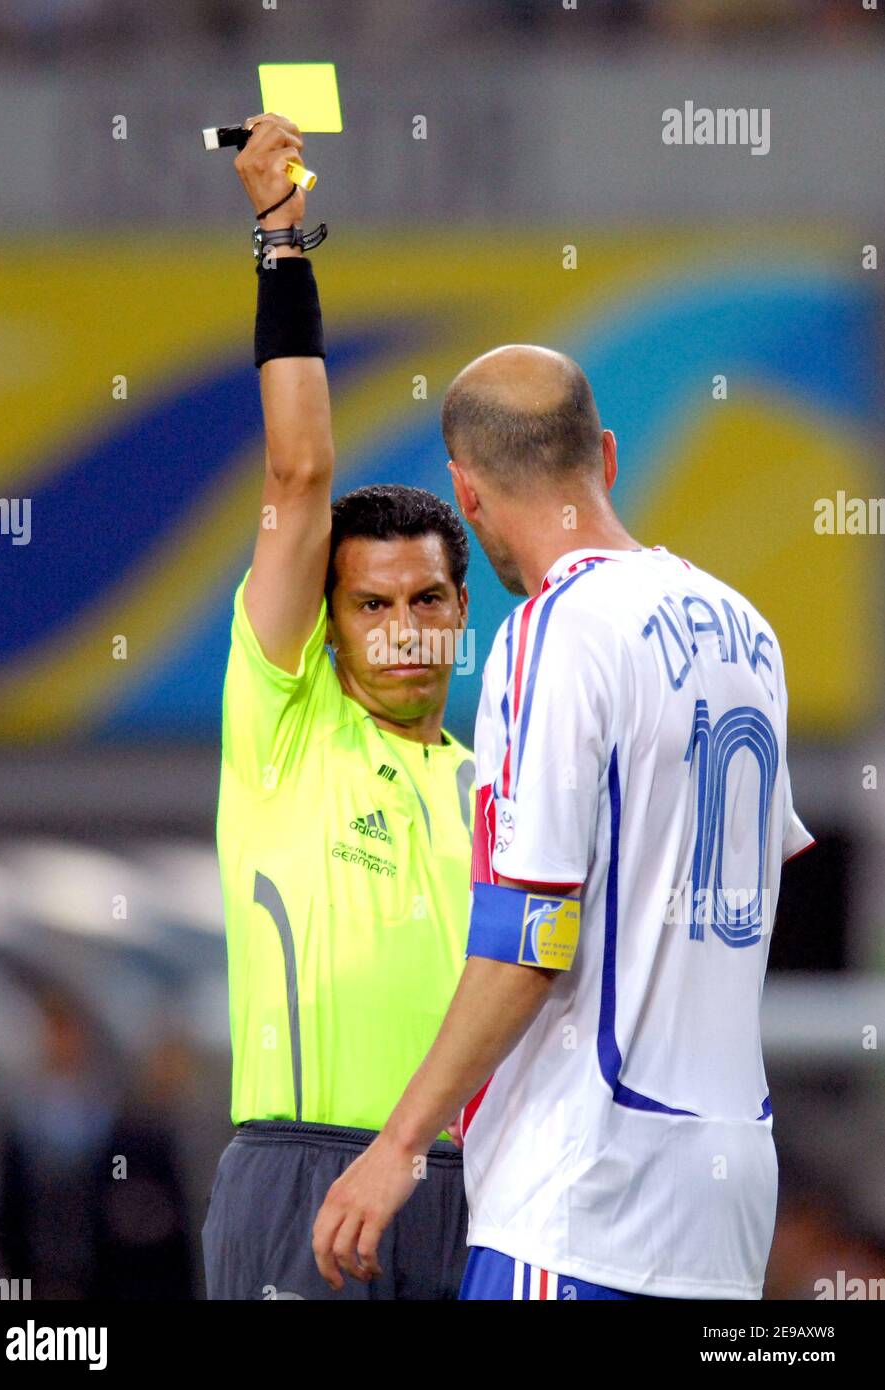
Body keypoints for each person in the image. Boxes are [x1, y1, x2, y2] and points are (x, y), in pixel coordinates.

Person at [312, 343, 814, 1300]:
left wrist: (399, 1145)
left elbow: (530, 935)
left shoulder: (552, 632)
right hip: (729, 1199)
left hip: (582, 1193)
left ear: (463, 490)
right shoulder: (748, 627)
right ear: (608, 457)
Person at [201, 114, 475, 1300]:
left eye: (427, 597)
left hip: (480, 1182)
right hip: (299, 1180)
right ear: (325, 619)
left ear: (463, 609)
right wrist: (280, 235)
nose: (404, 623)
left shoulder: (500, 780)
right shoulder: (284, 724)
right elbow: (298, 472)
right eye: (370, 604)